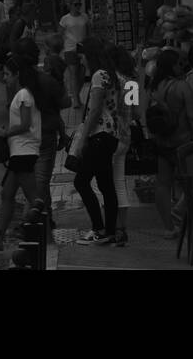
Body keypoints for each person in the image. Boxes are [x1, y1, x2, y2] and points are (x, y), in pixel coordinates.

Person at [0, 56, 41, 253]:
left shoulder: (23, 94)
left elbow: (25, 125)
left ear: (17, 75)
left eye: (7, 74)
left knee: (35, 200)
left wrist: (5, 132)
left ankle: (43, 237)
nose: (5, 78)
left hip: (24, 151)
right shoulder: (22, 94)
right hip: (19, 152)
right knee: (7, 194)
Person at [150, 47, 193, 239]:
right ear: (171, 66)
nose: (181, 67)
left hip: (162, 142)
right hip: (183, 144)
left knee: (163, 183)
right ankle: (191, 221)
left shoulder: (155, 87)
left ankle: (169, 227)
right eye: (178, 63)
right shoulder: (182, 87)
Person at [70, 45, 121, 245]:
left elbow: (94, 110)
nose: (81, 62)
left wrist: (82, 140)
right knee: (106, 185)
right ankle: (109, 231)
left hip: (99, 136)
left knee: (81, 182)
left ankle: (99, 229)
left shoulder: (99, 75)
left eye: (82, 57)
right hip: (110, 136)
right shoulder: (110, 74)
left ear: (90, 56)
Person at [33, 53, 71, 221]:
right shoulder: (57, 85)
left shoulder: (42, 82)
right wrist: (62, 135)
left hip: (40, 133)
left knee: (39, 180)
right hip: (48, 133)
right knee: (42, 179)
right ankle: (45, 215)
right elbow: (61, 109)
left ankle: (42, 215)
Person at [110, 44, 140, 247]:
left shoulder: (111, 81)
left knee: (108, 183)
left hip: (111, 137)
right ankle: (123, 227)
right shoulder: (131, 83)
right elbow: (135, 113)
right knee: (120, 183)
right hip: (125, 136)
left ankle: (113, 226)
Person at [59, 0, 89, 109]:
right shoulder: (65, 19)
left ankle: (75, 95)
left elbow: (88, 32)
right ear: (70, 5)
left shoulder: (84, 17)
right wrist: (61, 49)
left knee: (82, 73)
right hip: (70, 48)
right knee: (73, 74)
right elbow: (60, 34)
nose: (78, 6)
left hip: (82, 48)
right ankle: (76, 100)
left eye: (79, 4)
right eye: (75, 4)